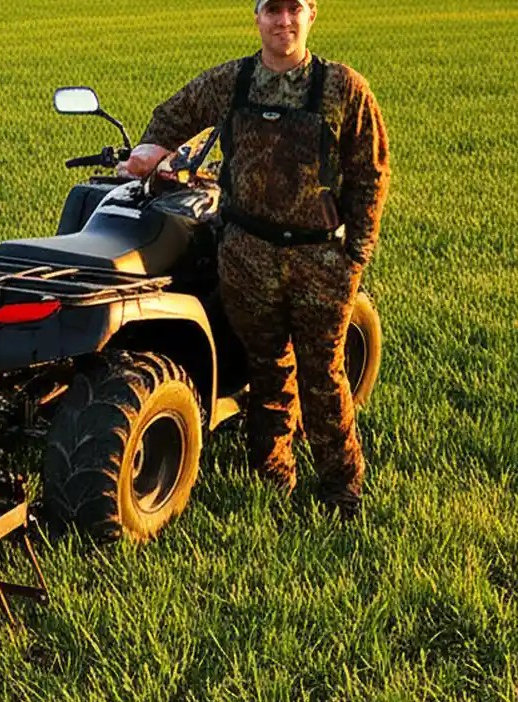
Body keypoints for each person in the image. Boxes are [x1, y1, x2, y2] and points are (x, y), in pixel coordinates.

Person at [118, 0, 390, 518]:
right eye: (272, 10)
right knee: (265, 371)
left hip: (319, 259)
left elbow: (370, 174)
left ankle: (342, 489)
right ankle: (272, 479)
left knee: (324, 376)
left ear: (313, 15)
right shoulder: (233, 81)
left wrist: (354, 256)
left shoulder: (343, 87)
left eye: (294, 9)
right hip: (246, 254)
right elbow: (173, 114)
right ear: (257, 17)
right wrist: (153, 150)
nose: (283, 21)